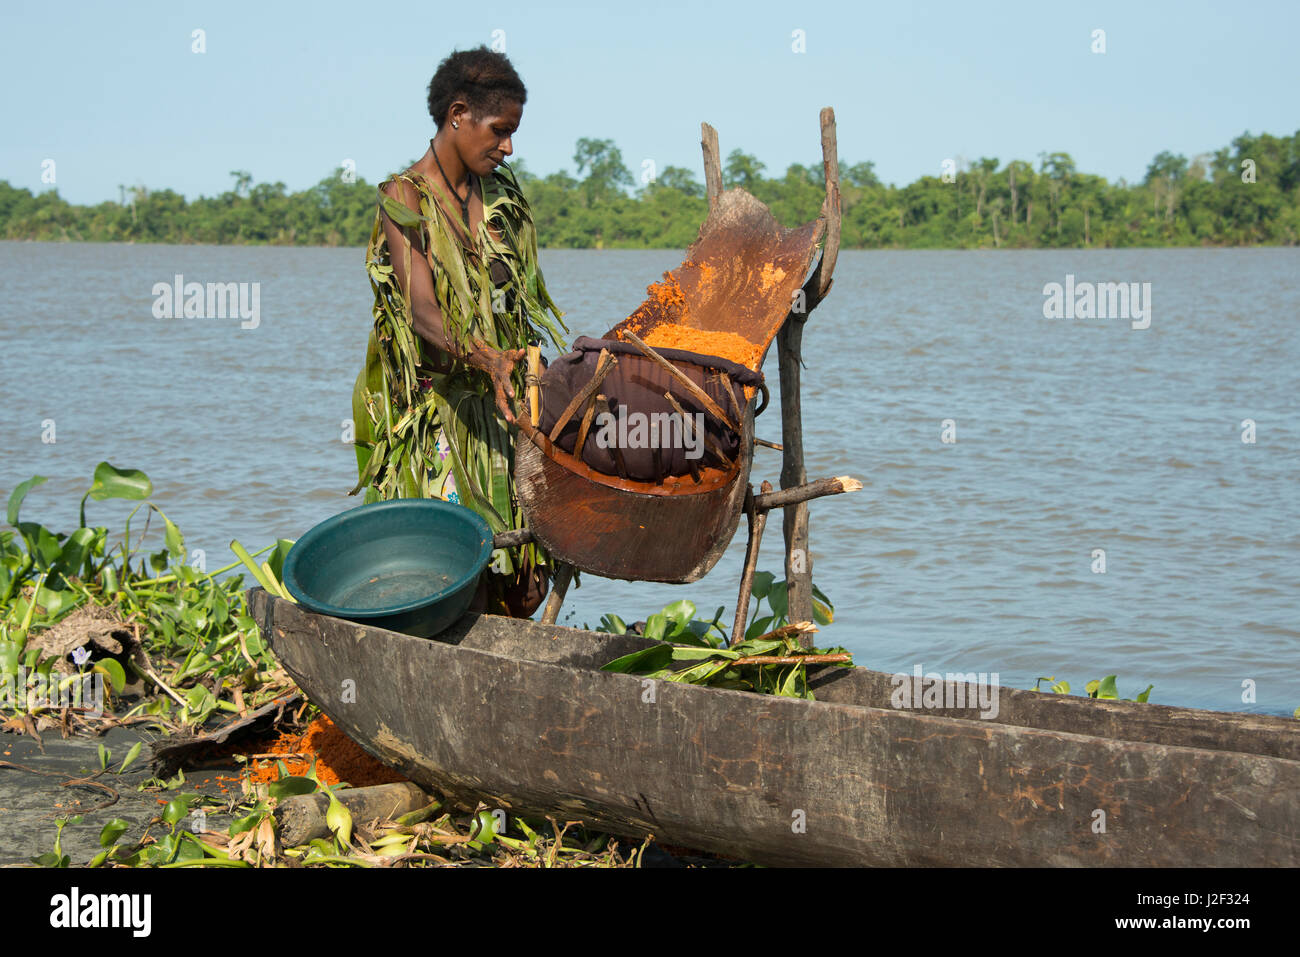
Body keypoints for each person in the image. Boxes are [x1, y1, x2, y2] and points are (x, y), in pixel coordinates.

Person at [351, 46, 568, 618]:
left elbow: (516, 304)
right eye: (500, 131)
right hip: (439, 417)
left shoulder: (500, 200)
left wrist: (528, 371)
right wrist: (487, 357)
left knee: (527, 582)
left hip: (501, 412)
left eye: (514, 133)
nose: (509, 147)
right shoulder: (406, 198)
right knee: (461, 577)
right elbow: (423, 312)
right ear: (457, 113)